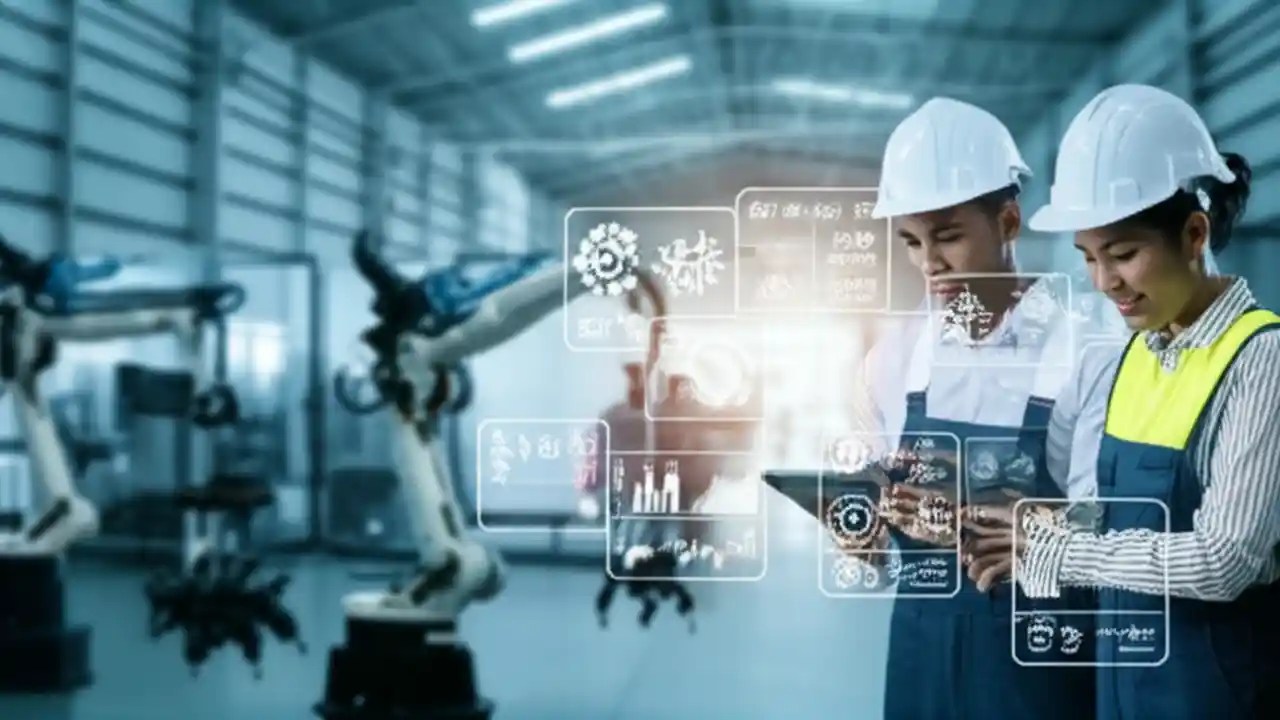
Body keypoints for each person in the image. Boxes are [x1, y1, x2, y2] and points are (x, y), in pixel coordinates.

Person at [967, 83, 1280, 720]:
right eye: (1087, 257)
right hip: (1123, 688)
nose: (1106, 283)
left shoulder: (1259, 360)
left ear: (1195, 234)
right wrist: (1031, 532)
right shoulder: (1132, 354)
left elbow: (1226, 559)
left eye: (1124, 254)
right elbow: (1111, 515)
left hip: (1217, 698)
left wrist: (1065, 552)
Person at [855, 96, 1104, 719]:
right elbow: (874, 493)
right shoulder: (897, 355)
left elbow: (1108, 526)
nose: (928, 264)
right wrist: (863, 532)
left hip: (1034, 665)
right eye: (911, 242)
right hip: (918, 660)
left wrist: (1016, 524)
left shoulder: (1083, 346)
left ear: (1009, 222)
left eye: (947, 237)